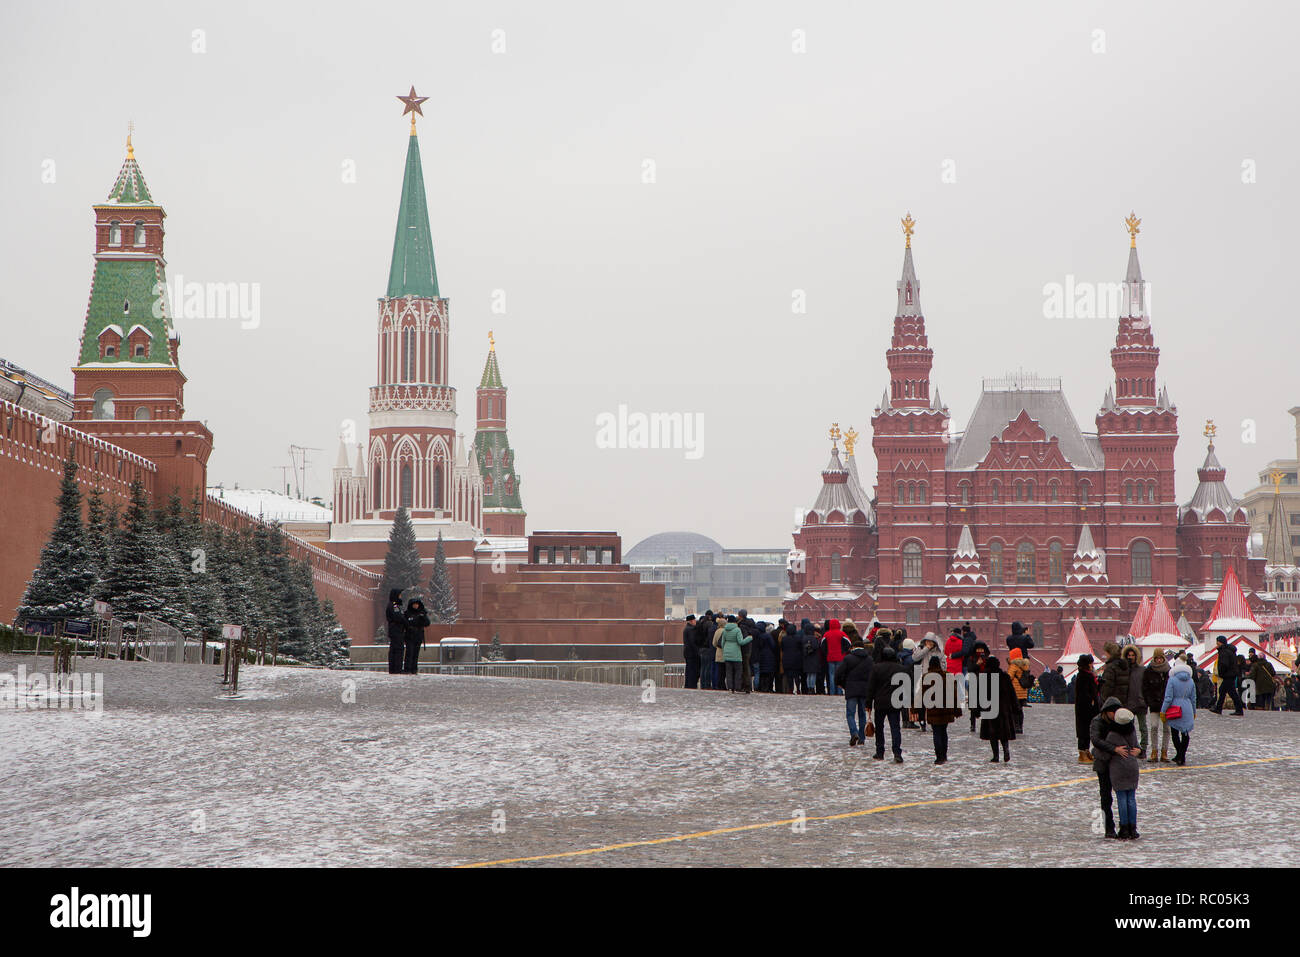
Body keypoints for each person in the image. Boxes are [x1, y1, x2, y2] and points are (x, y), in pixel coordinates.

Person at [1089, 695, 1129, 839]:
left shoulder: (1120, 721)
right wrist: (1114, 749)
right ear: (1106, 711)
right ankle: (1109, 827)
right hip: (1103, 762)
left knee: (1122, 796)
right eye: (1113, 712)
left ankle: (1125, 826)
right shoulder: (1097, 721)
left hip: (1118, 764)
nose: (1114, 715)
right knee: (1106, 796)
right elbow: (1096, 740)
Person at [864, 645, 906, 762]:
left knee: (879, 728)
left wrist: (868, 703)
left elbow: (871, 687)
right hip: (895, 702)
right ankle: (897, 753)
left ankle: (880, 752)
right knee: (895, 728)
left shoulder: (876, 668)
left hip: (880, 702)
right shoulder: (900, 668)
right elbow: (905, 687)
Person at [1106, 708, 1141, 840]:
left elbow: (1105, 751)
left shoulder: (1112, 734)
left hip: (1118, 768)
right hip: (1132, 766)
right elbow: (1138, 748)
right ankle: (1133, 828)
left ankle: (1124, 828)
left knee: (1121, 798)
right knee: (1131, 798)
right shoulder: (1132, 732)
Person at [980, 656, 1019, 763]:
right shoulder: (1004, 676)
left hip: (989, 708)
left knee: (992, 734)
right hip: (1003, 709)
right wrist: (1015, 707)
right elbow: (1012, 693)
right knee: (1003, 732)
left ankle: (995, 756)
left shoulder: (985, 676)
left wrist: (978, 709)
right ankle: (1006, 750)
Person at [922, 657, 960, 764]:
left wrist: (916, 709)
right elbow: (954, 694)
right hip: (946, 710)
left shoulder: (926, 677)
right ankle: (944, 754)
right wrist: (957, 710)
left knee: (936, 732)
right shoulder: (947, 676)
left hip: (933, 710)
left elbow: (922, 695)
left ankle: (939, 756)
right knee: (944, 731)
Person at [837, 636, 874, 746]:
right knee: (862, 714)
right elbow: (873, 676)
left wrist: (844, 685)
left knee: (850, 714)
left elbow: (839, 674)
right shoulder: (870, 660)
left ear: (853, 647)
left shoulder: (848, 658)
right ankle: (862, 738)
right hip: (864, 690)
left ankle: (854, 733)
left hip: (851, 690)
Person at [1161, 660, 1197, 766]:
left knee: (1175, 732)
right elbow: (1193, 698)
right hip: (1187, 707)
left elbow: (1168, 697)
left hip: (1174, 706)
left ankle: (1179, 754)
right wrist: (1194, 711)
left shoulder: (1172, 680)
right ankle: (1182, 756)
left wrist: (1163, 711)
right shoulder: (1191, 681)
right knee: (1185, 733)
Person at [1142, 649, 1172, 762]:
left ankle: (1164, 752)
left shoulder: (1169, 671)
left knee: (1166, 729)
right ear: (1154, 658)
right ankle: (1154, 751)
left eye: (1160, 658)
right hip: (1154, 704)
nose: (1159, 660)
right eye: (1157, 658)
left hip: (1166, 705)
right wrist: (1149, 701)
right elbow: (1145, 688)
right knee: (1154, 726)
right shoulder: (1148, 671)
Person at [912, 633, 944, 732]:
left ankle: (934, 720)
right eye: (927, 641)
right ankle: (922, 721)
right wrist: (926, 649)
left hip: (936, 679)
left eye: (930, 642)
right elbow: (915, 658)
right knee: (922, 702)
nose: (929, 643)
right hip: (925, 678)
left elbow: (943, 665)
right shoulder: (921, 649)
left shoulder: (939, 652)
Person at [1121, 645, 1148, 759]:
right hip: (1128, 704)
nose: (1131, 657)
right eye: (1129, 655)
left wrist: (1145, 699)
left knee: (1143, 727)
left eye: (1132, 655)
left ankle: (1143, 749)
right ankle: (1131, 748)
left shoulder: (1142, 670)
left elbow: (1146, 686)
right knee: (1129, 728)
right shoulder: (1124, 670)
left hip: (1140, 702)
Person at [1209, 636, 1245, 715]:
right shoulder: (1229, 651)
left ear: (1221, 643)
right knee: (1223, 691)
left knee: (1231, 693)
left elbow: (1224, 664)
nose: (1216, 645)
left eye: (1217, 643)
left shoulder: (1224, 652)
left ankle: (1238, 710)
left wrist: (1221, 672)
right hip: (1230, 675)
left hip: (1228, 675)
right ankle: (1219, 708)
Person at [1074, 655, 1100, 763]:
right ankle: (1082, 754)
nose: (1092, 665)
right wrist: (1091, 700)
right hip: (1085, 708)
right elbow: (1084, 693)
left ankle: (1086, 750)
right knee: (1083, 730)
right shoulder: (1084, 676)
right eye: (1090, 663)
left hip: (1088, 708)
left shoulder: (1087, 675)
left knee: (1087, 730)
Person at [717, 615, 750, 694]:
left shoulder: (725, 630)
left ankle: (730, 687)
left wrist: (726, 649)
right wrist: (749, 638)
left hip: (727, 653)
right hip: (736, 654)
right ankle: (737, 687)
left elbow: (722, 643)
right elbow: (740, 642)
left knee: (729, 672)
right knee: (738, 671)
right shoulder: (737, 630)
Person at [1006, 648, 1032, 734]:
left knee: (1014, 710)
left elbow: (1009, 677)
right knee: (1020, 710)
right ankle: (1020, 727)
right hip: (1023, 692)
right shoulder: (1025, 665)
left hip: (1015, 692)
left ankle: (1015, 726)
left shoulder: (1014, 666)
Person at [402, 597, 430, 674]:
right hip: (410, 635)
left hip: (418, 635)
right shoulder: (407, 613)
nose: (415, 606)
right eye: (414, 604)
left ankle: (414, 669)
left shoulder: (422, 612)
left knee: (416, 653)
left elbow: (427, 623)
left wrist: (423, 617)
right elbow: (404, 623)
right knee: (409, 653)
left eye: (417, 604)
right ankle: (407, 669)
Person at [822, 619, 849, 695]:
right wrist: (843, 652)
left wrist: (827, 653)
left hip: (830, 657)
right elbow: (848, 644)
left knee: (831, 675)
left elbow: (822, 646)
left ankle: (832, 692)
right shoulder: (842, 634)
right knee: (839, 675)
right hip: (840, 657)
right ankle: (839, 692)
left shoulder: (826, 634)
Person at [385, 589, 407, 675]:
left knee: (395, 649)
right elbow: (398, 617)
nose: (401, 596)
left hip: (395, 630)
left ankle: (394, 669)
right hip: (396, 630)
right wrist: (405, 621)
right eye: (399, 594)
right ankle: (397, 669)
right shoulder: (394, 605)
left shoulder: (394, 605)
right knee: (398, 650)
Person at [782, 618, 806, 693]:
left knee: (789, 676)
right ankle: (798, 689)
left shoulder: (784, 639)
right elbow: (801, 648)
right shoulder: (798, 638)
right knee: (796, 676)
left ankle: (790, 689)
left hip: (787, 659)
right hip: (797, 659)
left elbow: (782, 648)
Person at [799, 619, 821, 694]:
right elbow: (816, 647)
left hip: (806, 658)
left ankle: (809, 688)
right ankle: (812, 688)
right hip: (813, 658)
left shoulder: (804, 638)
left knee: (808, 674)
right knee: (813, 674)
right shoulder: (813, 638)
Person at [697, 612, 716, 690]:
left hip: (701, 648)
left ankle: (702, 684)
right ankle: (707, 685)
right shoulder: (709, 624)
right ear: (710, 616)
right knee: (707, 668)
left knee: (703, 667)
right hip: (707, 648)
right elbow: (710, 637)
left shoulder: (699, 623)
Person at [683, 615, 700, 689]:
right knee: (692, 671)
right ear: (691, 621)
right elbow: (692, 642)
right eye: (694, 620)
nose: (695, 622)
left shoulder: (686, 629)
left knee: (688, 670)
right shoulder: (691, 629)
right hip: (692, 654)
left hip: (687, 653)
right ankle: (691, 685)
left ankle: (688, 684)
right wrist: (697, 652)